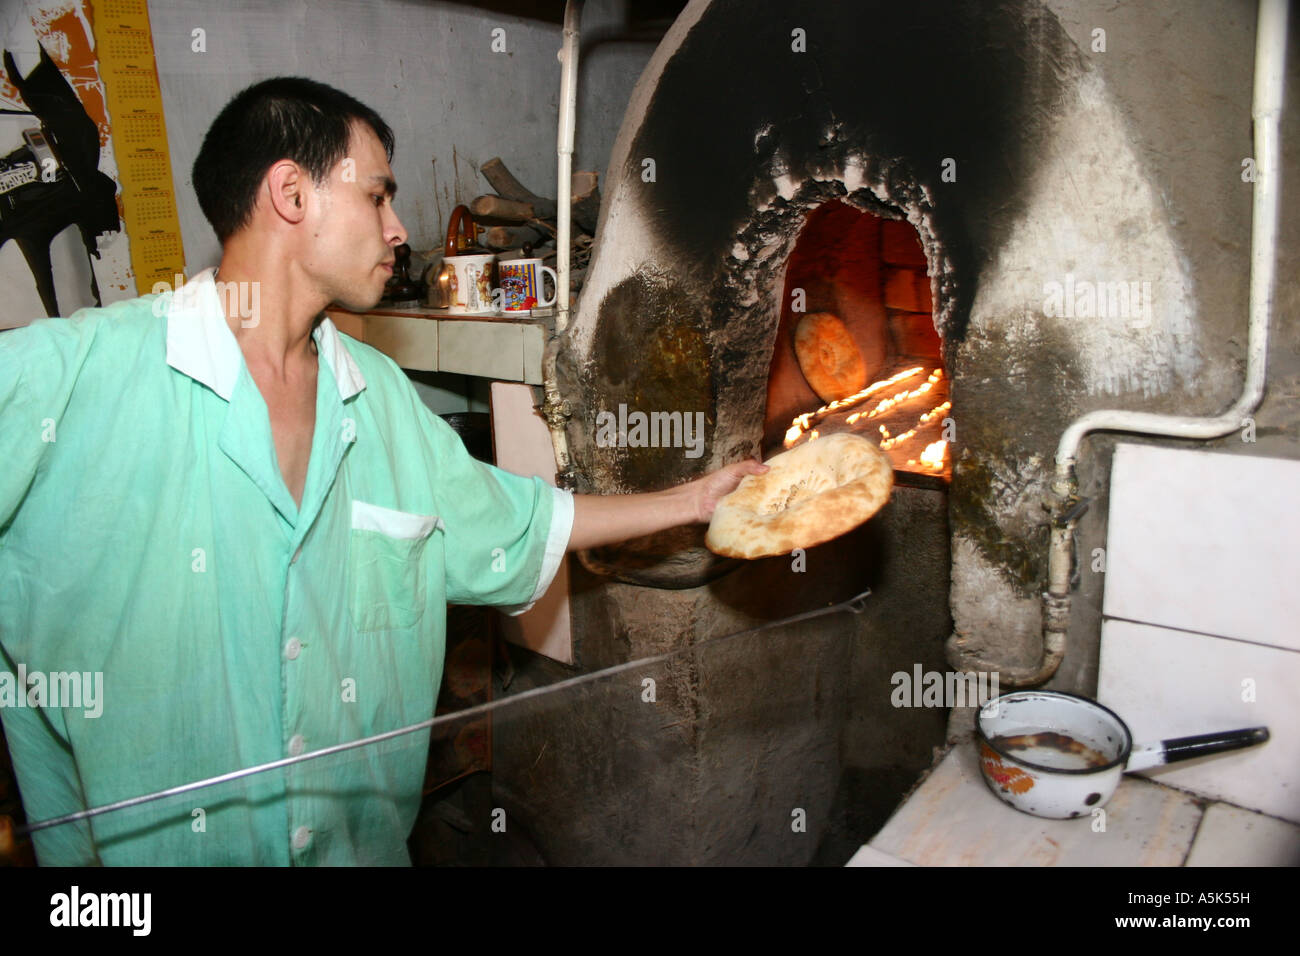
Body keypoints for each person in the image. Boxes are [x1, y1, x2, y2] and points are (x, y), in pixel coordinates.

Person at [0, 76, 763, 865]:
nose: (400, 229)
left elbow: (524, 520)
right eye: (378, 196)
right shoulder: (73, 378)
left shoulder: (381, 398)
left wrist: (693, 498)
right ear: (291, 193)